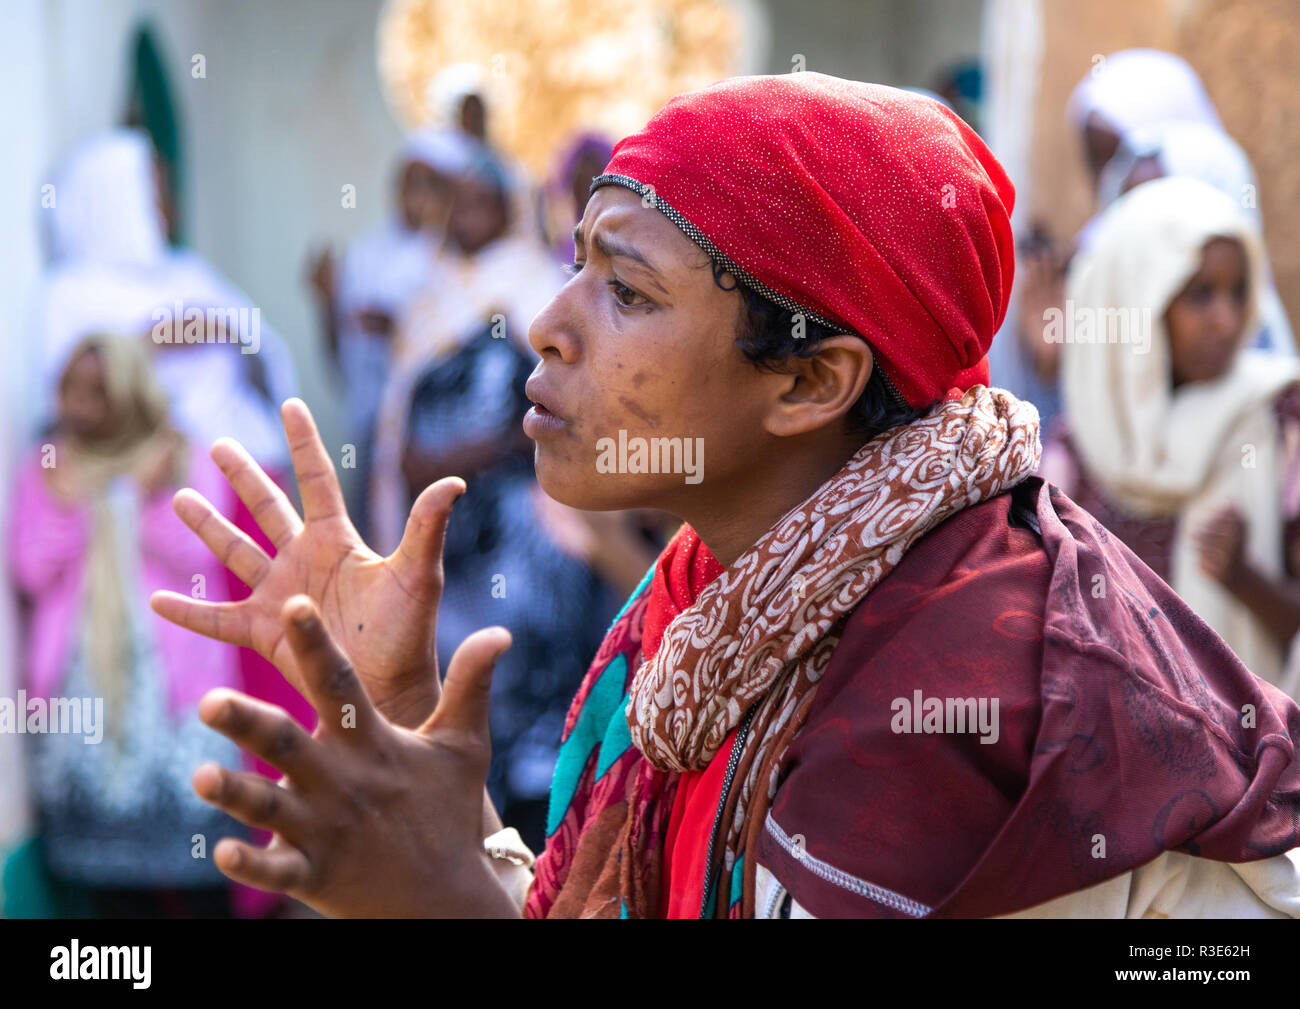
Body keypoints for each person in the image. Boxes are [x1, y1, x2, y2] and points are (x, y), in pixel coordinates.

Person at [152, 74, 1300, 919]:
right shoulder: (726, 586)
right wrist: (415, 766)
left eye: (626, 290)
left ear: (808, 380)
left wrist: (444, 896)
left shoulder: (955, 701)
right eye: (574, 263)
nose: (546, 325)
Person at [372, 147, 615, 850]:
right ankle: (472, 841)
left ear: (509, 208)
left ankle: (540, 848)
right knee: (459, 680)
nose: (468, 215)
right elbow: (400, 404)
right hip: (450, 531)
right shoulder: (429, 290)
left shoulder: (537, 283)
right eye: (459, 201)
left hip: (529, 526)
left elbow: (567, 402)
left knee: (532, 674)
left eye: (484, 201)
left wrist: (468, 454)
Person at [10, 334, 244, 917]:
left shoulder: (180, 456)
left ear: (128, 391)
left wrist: (133, 496)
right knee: (112, 883)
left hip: (173, 696)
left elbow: (201, 552)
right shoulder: (48, 467)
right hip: (86, 692)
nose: (79, 405)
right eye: (69, 389)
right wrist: (92, 501)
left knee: (200, 863)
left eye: (97, 391)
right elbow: (30, 565)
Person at [1040, 176, 1300, 695]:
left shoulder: (1278, 417)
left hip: (1250, 755)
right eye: (1199, 296)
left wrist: (1243, 578)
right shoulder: (1079, 450)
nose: (1226, 321)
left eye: (1239, 291)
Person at [307, 128, 474, 538]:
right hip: (372, 427)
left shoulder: (454, 257)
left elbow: (466, 346)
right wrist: (327, 303)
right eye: (407, 182)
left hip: (442, 438)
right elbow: (343, 363)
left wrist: (397, 329)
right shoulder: (366, 253)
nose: (414, 195)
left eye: (427, 185)